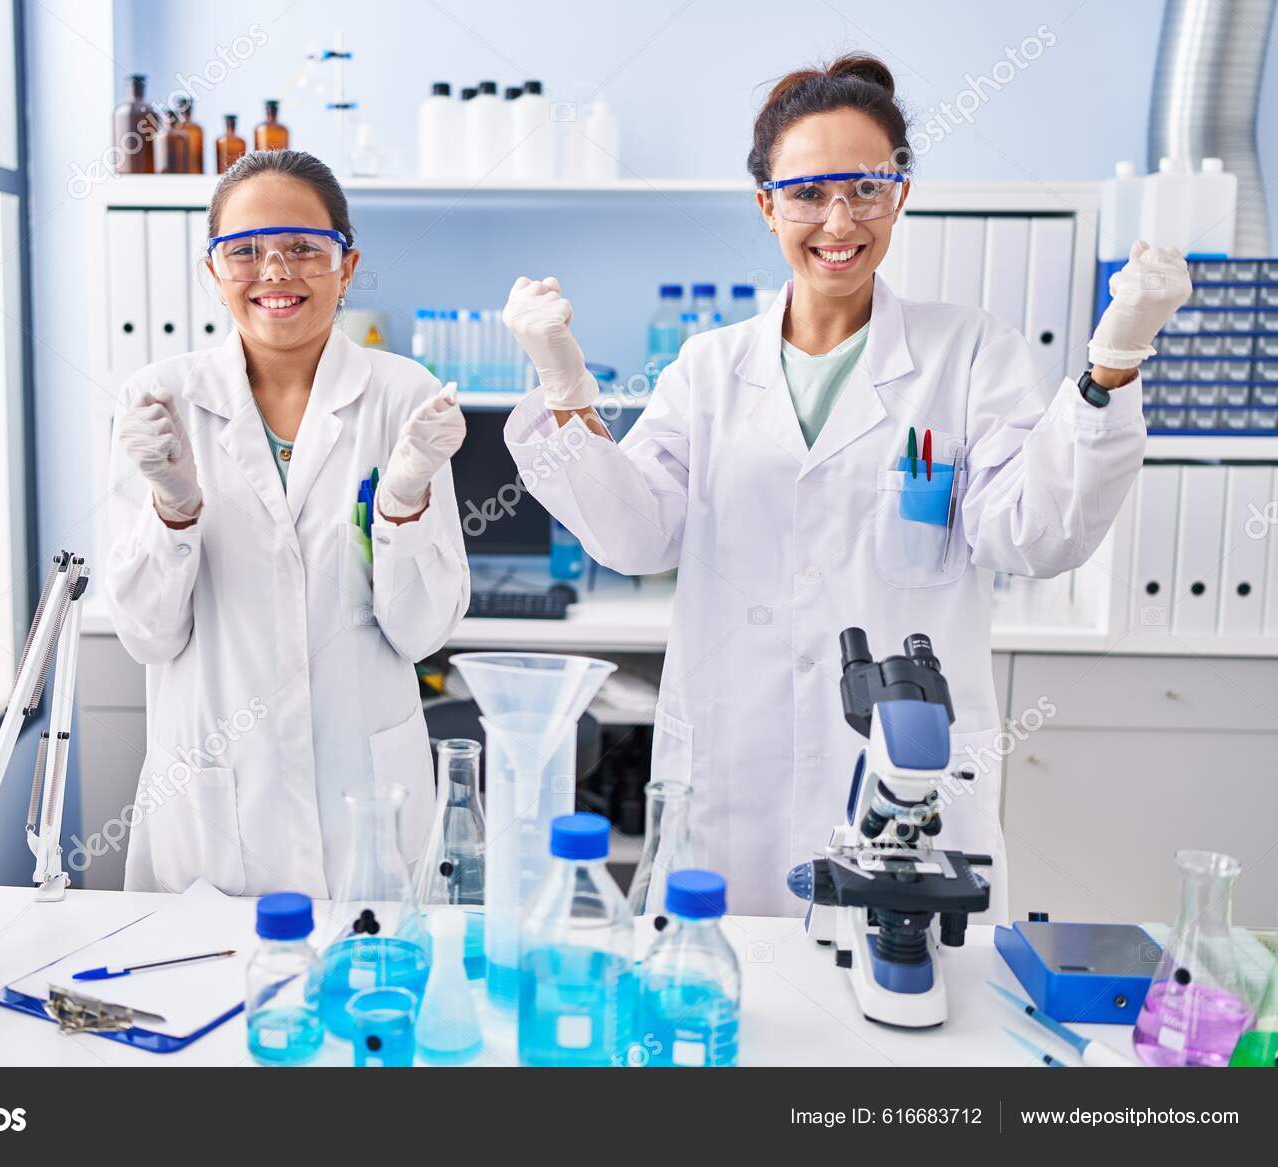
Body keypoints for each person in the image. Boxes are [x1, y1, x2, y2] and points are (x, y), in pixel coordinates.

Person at [500, 55, 1190, 917]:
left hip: (905, 777)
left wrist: (1111, 366)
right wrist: (566, 391)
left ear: (900, 193)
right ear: (767, 205)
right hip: (733, 771)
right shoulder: (710, 368)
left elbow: (1036, 535)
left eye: (867, 188)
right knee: (727, 1005)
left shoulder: (969, 352)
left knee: (901, 1023)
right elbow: (638, 536)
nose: (839, 219)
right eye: (809, 193)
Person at [107, 150, 470, 897]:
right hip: (214, 812)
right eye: (244, 251)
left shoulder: (406, 397)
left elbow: (422, 633)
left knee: (369, 1002)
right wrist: (174, 512)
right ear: (213, 270)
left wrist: (403, 503)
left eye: (304, 248)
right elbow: (145, 635)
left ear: (346, 265)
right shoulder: (160, 400)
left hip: (365, 805)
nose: (275, 271)